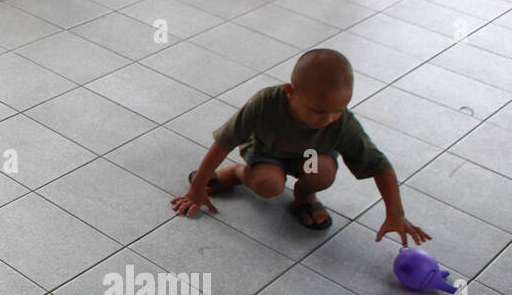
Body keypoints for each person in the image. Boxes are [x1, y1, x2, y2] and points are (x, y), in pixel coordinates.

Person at [171, 49, 428, 242]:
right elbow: (224, 141)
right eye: (318, 111)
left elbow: (378, 165)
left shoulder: (341, 122)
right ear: (291, 92)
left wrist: (395, 213)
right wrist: (195, 189)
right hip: (266, 153)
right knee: (269, 185)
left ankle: (304, 196)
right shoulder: (266, 102)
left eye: (337, 110)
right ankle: (237, 173)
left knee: (324, 171)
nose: (328, 119)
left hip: (309, 157)